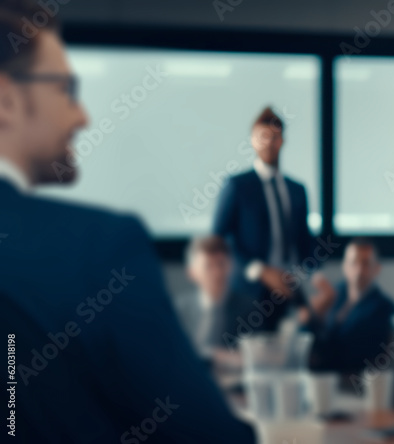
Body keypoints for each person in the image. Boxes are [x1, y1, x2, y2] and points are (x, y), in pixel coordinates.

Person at [0, 1, 255, 441]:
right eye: (67, 90)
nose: (83, 117)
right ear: (6, 100)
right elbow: (204, 433)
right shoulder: (99, 249)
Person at [212, 106, 319, 341]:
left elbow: (304, 239)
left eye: (274, 136)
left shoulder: (297, 190)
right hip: (249, 292)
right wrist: (260, 271)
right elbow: (218, 239)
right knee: (255, 360)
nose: (269, 142)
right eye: (263, 136)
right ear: (252, 140)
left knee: (297, 355)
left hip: (290, 289)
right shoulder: (237, 186)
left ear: (282, 140)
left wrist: (308, 276)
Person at [302, 238, 394, 381]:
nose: (359, 270)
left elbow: (347, 353)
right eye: (354, 263)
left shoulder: (384, 308)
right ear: (345, 266)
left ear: (376, 268)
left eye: (366, 263)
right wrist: (310, 318)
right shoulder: (335, 295)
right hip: (320, 377)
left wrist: (313, 319)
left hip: (351, 382)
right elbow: (305, 344)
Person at [176, 235, 230, 360]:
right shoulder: (179, 309)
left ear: (230, 266)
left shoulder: (249, 309)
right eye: (208, 266)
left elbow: (257, 357)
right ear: (191, 272)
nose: (217, 273)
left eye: (221, 264)